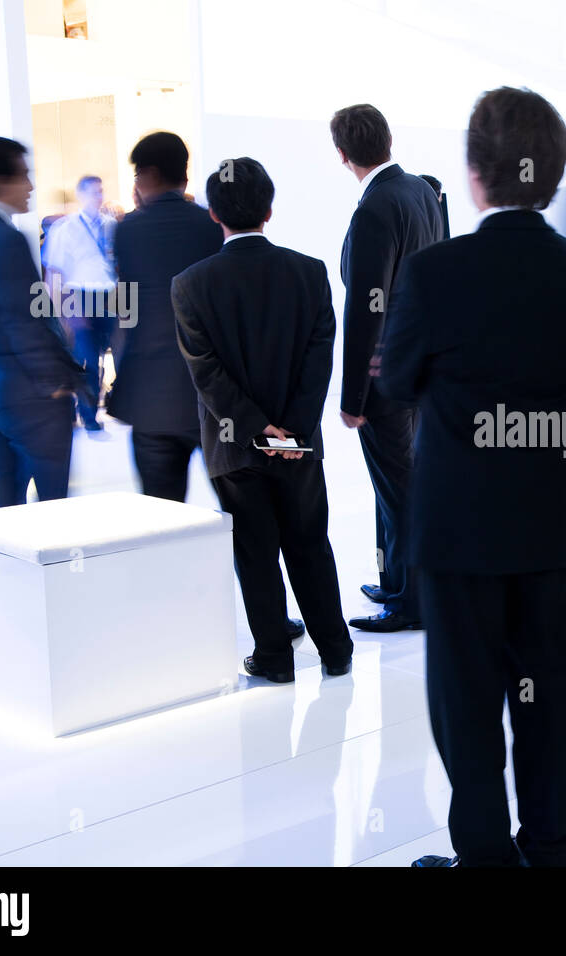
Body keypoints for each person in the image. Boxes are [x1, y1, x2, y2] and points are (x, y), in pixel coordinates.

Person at [378, 87, 566, 867]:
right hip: (541, 517)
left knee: (465, 706)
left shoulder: (436, 272)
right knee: (548, 695)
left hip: (458, 524)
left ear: (475, 173)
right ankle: (548, 848)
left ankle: (484, 855)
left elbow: (397, 380)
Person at [173, 157, 353, 683]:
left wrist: (256, 427)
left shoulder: (189, 284)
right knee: (310, 544)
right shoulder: (309, 271)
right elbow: (320, 356)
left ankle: (273, 656)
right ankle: (336, 649)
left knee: (255, 551)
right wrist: (290, 428)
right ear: (269, 209)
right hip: (297, 445)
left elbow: (205, 372)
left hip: (235, 447)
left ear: (213, 214)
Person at [331, 104, 445, 633]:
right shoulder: (422, 192)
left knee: (398, 490)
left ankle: (410, 601)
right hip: (420, 369)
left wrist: (353, 396)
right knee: (398, 485)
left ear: (342, 154)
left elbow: (365, 310)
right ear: (388, 139)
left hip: (385, 377)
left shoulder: (375, 208)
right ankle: (396, 580)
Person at [0, 136, 85, 508]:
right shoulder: (6, 239)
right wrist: (55, 381)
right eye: (23, 176)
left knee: (5, 500)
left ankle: (1, 567)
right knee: (54, 502)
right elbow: (25, 321)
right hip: (32, 394)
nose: (30, 185)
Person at [108, 132, 222, 502]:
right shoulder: (211, 225)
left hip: (150, 401)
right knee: (241, 516)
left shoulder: (128, 231)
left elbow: (125, 316)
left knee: (162, 519)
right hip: (213, 399)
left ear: (150, 175)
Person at [42, 175, 117, 431]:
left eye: (101, 191)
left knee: (106, 355)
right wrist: (61, 312)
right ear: (82, 195)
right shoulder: (66, 229)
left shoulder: (111, 226)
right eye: (94, 192)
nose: (99, 196)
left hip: (110, 295)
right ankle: (88, 414)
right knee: (87, 356)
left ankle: (98, 407)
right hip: (79, 296)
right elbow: (55, 272)